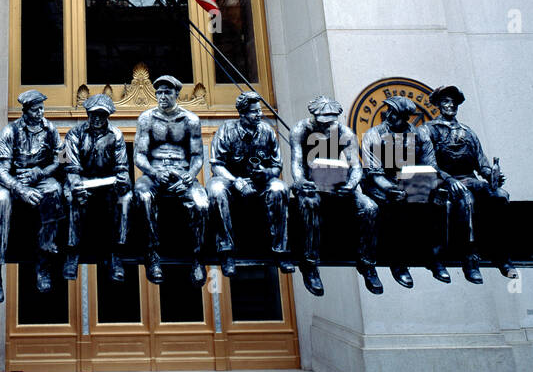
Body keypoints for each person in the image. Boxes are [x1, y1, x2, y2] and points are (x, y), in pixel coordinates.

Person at [288, 96, 381, 296]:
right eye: (324, 121)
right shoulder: (300, 130)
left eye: (332, 120)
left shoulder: (344, 132)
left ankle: (367, 263)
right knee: (310, 204)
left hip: (339, 185)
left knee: (370, 207)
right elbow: (296, 163)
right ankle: (310, 263)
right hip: (310, 185)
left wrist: (350, 184)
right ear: (314, 116)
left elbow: (356, 167)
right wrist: (302, 182)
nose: (328, 124)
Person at [425, 84, 515, 283]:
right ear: (439, 104)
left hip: (469, 178)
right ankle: (469, 258)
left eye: (454, 102)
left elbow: (481, 163)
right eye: (447, 101)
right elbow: (428, 164)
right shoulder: (429, 130)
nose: (451, 106)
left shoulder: (468, 132)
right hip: (444, 182)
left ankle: (502, 255)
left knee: (501, 196)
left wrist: (492, 174)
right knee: (466, 199)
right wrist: (447, 180)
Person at [360, 94, 449, 288]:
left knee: (438, 203)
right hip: (381, 185)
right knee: (396, 207)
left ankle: (434, 258)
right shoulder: (374, 135)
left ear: (405, 117)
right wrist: (391, 189)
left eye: (396, 113)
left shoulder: (419, 135)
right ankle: (398, 262)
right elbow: (374, 174)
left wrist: (433, 187)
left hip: (412, 182)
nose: (390, 115)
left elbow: (430, 166)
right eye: (389, 111)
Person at [207, 91, 293, 278]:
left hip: (259, 182)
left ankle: (281, 251)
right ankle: (226, 251)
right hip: (230, 180)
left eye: (259, 110)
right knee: (215, 190)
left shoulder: (267, 131)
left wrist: (266, 173)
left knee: (280, 188)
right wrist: (235, 181)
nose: (259, 114)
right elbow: (217, 164)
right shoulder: (226, 130)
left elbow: (277, 165)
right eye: (254, 111)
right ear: (242, 114)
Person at [134, 75, 209, 286]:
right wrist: (154, 173)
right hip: (154, 173)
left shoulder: (190, 120)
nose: (162, 96)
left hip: (181, 173)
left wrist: (190, 175)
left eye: (167, 92)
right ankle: (152, 255)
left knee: (202, 204)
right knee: (142, 196)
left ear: (177, 94)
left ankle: (197, 258)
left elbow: (196, 156)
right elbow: (139, 155)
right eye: (159, 92)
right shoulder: (146, 118)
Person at [0, 90, 63, 302]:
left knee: (55, 190)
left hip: (39, 178)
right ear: (25, 111)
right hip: (11, 181)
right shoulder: (9, 132)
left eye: (42, 108)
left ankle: (43, 262)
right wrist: (20, 189)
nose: (40, 113)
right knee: (1, 201)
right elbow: (2, 171)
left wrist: (39, 172)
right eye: (34, 109)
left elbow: (60, 160)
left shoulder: (51, 130)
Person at [62, 93, 132, 283]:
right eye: (93, 114)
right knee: (71, 198)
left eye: (102, 114)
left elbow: (122, 167)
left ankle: (116, 254)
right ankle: (72, 253)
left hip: (107, 184)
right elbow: (69, 166)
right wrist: (76, 185)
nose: (97, 118)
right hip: (79, 181)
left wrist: (122, 180)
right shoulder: (73, 134)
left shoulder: (116, 135)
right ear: (87, 114)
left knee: (125, 199)